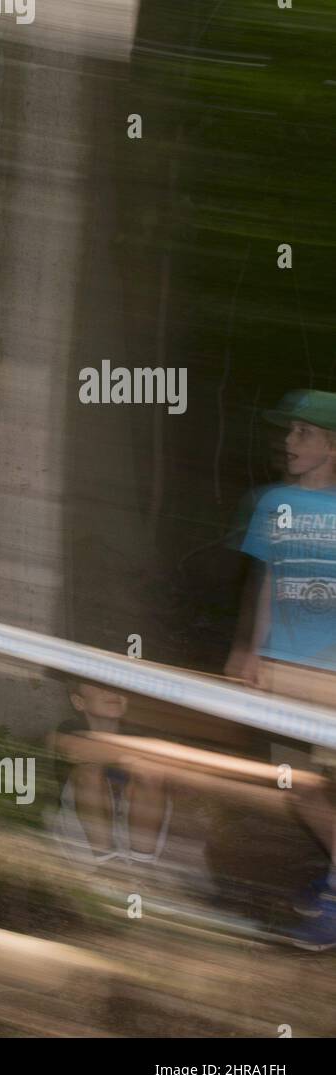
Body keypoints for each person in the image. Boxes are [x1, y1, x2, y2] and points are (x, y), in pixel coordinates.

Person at [226, 389, 336, 948]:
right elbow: (266, 578)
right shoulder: (276, 503)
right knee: (296, 784)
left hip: (334, 675)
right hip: (285, 670)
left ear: (333, 446)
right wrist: (251, 648)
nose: (289, 442)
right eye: (289, 432)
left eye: (304, 434)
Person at [48, 680, 173, 870]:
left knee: (151, 772)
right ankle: (106, 863)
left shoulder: (140, 733)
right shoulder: (69, 729)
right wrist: (133, 755)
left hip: (137, 822)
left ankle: (142, 865)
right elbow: (82, 754)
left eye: (118, 684)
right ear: (79, 702)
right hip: (85, 824)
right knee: (88, 771)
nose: (112, 691)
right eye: (99, 684)